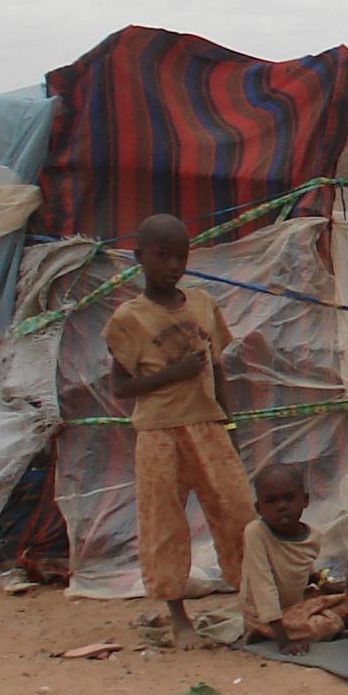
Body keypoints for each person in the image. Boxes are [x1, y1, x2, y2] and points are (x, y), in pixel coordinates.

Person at [107, 212, 253, 651]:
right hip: (159, 432)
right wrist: (173, 374)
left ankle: (252, 602)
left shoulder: (203, 304)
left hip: (207, 426)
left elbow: (218, 369)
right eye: (163, 256)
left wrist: (229, 422)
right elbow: (121, 387)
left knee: (237, 509)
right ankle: (177, 615)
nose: (173, 266)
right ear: (139, 258)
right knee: (165, 523)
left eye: (181, 257)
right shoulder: (129, 319)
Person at [237, 466, 346, 650]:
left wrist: (323, 584)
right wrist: (283, 642)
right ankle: (267, 630)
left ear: (305, 500)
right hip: (263, 614)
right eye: (271, 501)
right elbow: (264, 587)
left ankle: (290, 627)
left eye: (289, 498)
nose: (281, 506)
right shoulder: (256, 533)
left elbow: (304, 569)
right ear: (259, 508)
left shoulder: (312, 536)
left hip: (296, 605)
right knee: (323, 627)